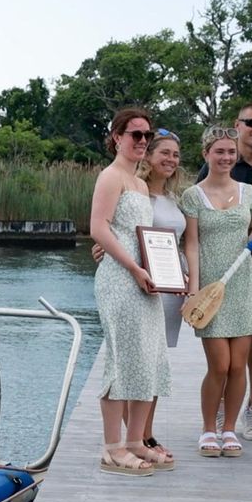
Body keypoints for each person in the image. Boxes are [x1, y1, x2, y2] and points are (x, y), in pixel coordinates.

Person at [91, 128, 189, 465]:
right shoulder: (110, 176)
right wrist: (133, 267)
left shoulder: (141, 185)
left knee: (150, 358)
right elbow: (99, 228)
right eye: (136, 133)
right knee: (120, 359)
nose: (142, 139)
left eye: (147, 133)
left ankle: (136, 440)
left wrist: (172, 272)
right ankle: (111, 447)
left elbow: (145, 238)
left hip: (148, 279)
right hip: (122, 278)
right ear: (117, 137)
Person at [180, 126, 252, 458]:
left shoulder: (250, 193)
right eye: (219, 151)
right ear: (206, 154)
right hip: (210, 291)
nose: (226, 157)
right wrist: (193, 290)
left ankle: (229, 429)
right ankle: (208, 428)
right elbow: (191, 245)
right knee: (219, 365)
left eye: (231, 152)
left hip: (243, 287)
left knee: (237, 366)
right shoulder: (192, 196)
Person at [195, 104, 252, 442]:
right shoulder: (208, 171)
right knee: (221, 360)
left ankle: (251, 408)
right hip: (216, 276)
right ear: (238, 125)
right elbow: (190, 225)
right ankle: (217, 413)